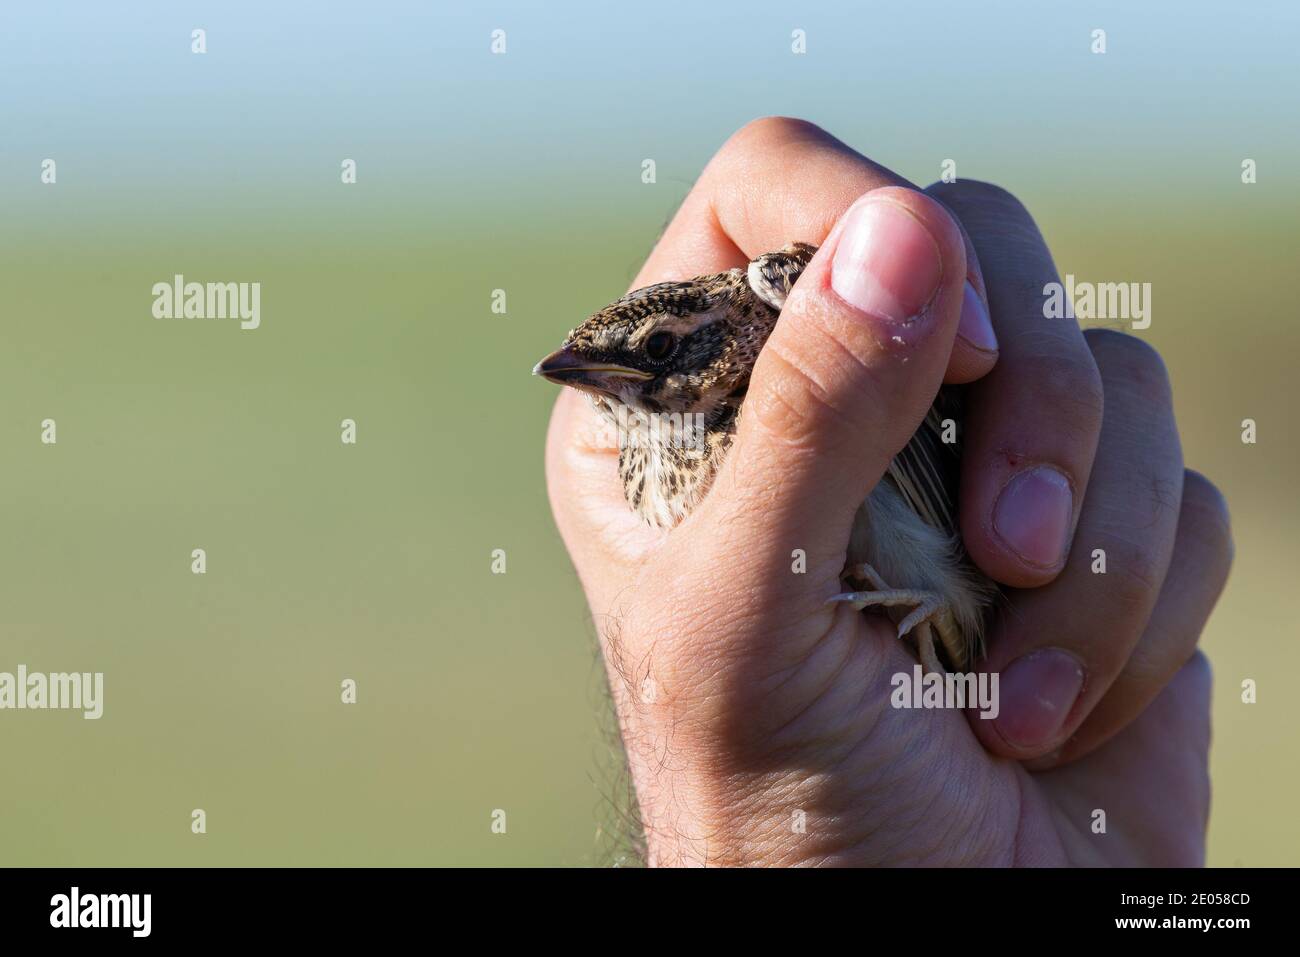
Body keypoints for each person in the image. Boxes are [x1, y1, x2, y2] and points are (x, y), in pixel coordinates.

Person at [543, 118, 1233, 866]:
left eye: (658, 352)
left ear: (725, 336)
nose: (608, 385)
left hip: (961, 627)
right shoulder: (635, 476)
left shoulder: (790, 310)